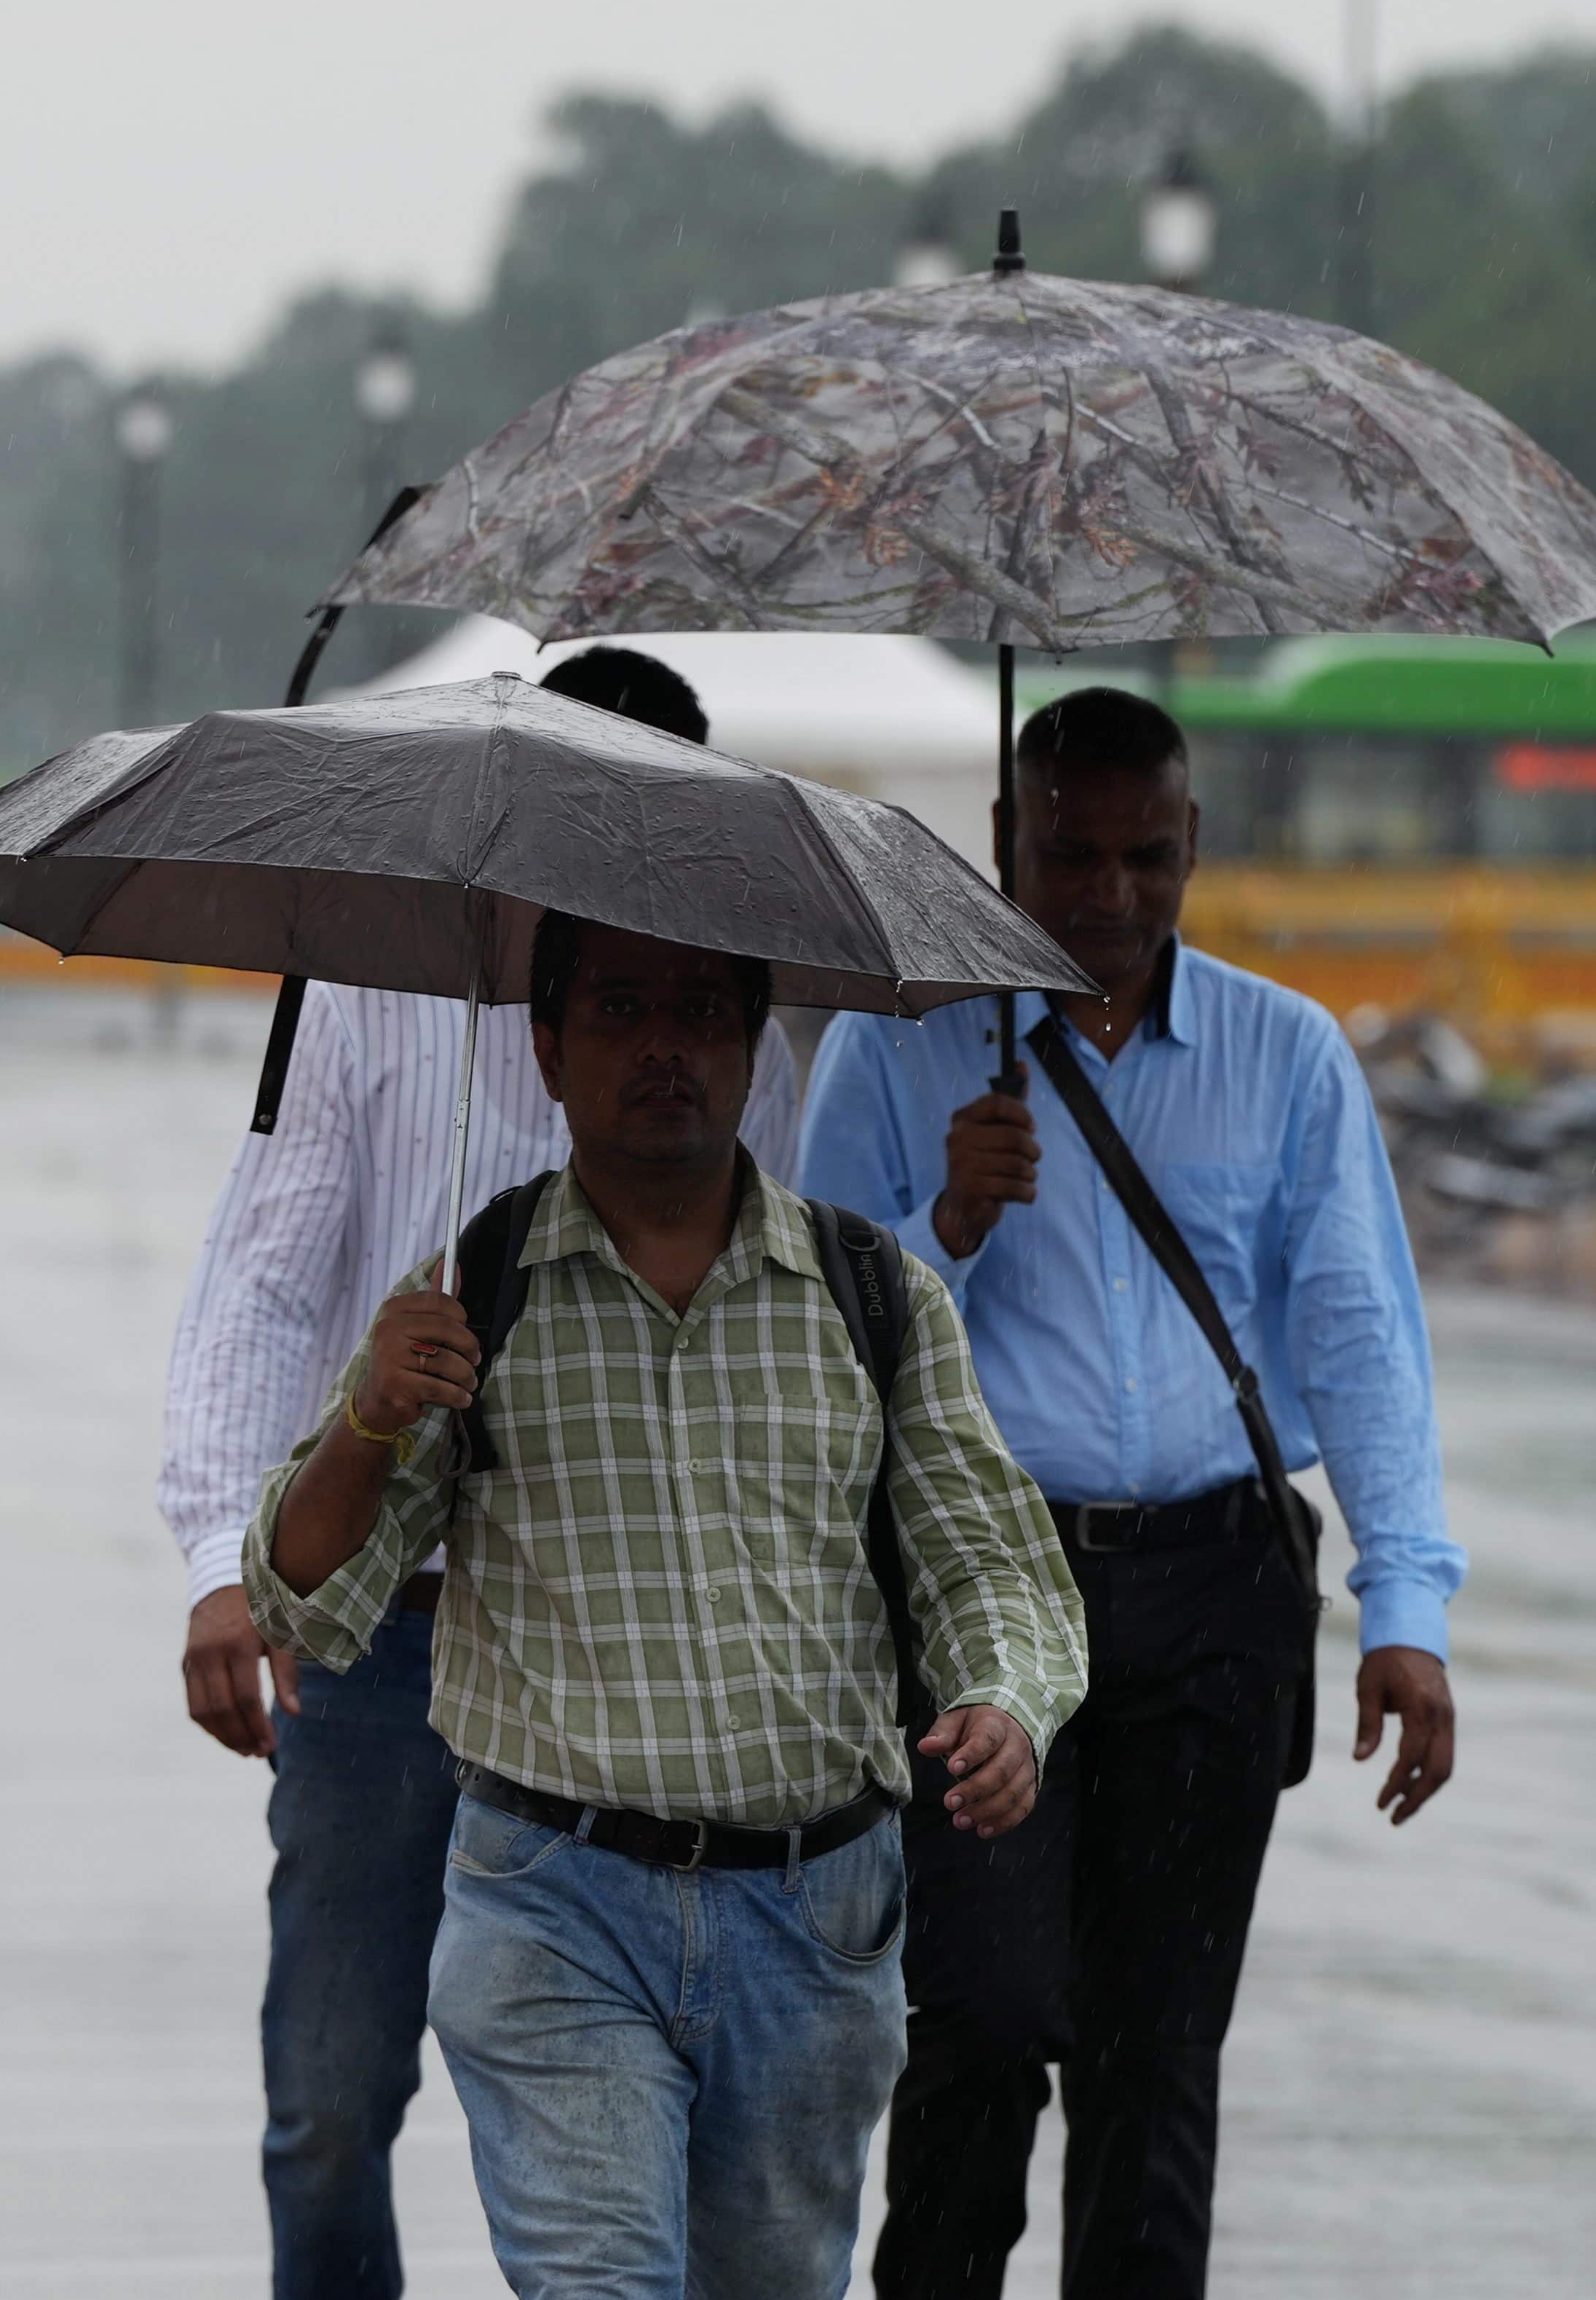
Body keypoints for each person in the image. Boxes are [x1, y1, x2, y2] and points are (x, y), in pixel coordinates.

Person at [245, 915, 1086, 2299]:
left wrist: (1005, 1698)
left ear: (756, 1048)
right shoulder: (475, 1294)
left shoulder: (875, 1292)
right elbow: (307, 1592)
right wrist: (368, 1410)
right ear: (547, 1047)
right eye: (622, 1009)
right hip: (552, 1907)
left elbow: (987, 1560)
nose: (664, 1047)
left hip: (814, 1920)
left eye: (703, 1011)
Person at [796, 688, 1466, 2300]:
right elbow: (805, 1341)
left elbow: (1361, 1331)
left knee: (1158, 2053)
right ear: (1002, 846)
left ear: (1194, 849)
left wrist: (1408, 1604)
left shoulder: (1288, 1055)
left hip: (1214, 1585)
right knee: (985, 2017)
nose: (1107, 893)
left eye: (1144, 855)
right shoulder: (896, 1048)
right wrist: (946, 1212)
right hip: (979, 1589)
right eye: (1069, 853)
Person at [157, 646, 805, 2300]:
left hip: (635, 1656)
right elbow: (261, 1278)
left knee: (655, 2107)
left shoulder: (743, 1028)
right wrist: (215, 1566)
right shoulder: (369, 989)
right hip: (387, 1645)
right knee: (325, 2098)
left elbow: (794, 1306)